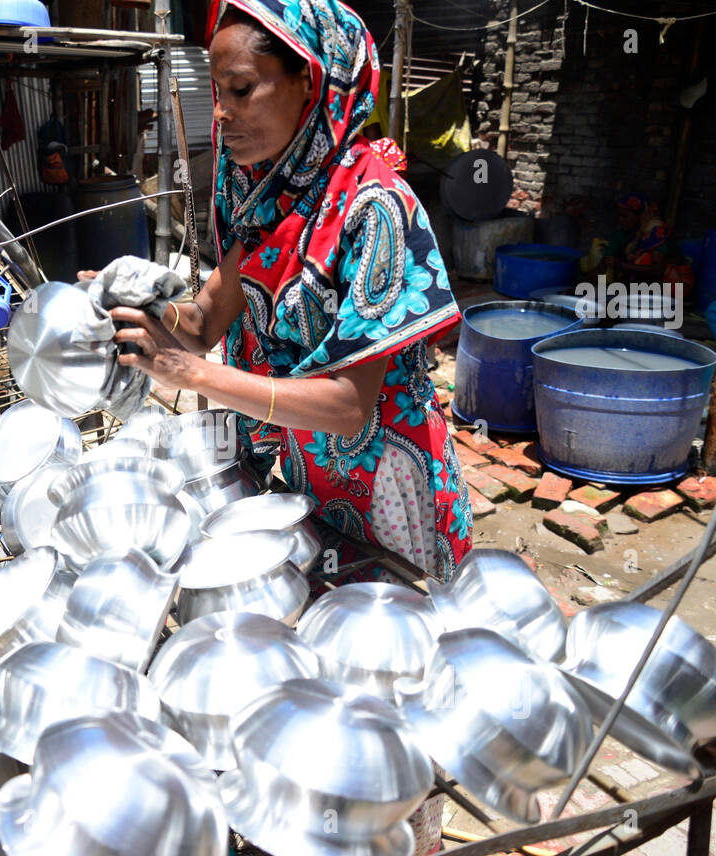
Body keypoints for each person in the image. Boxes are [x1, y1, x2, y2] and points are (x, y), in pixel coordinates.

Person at [98, 0, 473, 585]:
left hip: (387, 494)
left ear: (308, 79)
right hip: (307, 485)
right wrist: (135, 304)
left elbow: (349, 408)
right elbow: (202, 324)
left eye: (242, 89)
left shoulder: (373, 207)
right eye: (217, 94)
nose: (222, 114)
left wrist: (193, 376)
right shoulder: (267, 197)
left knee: (395, 641)